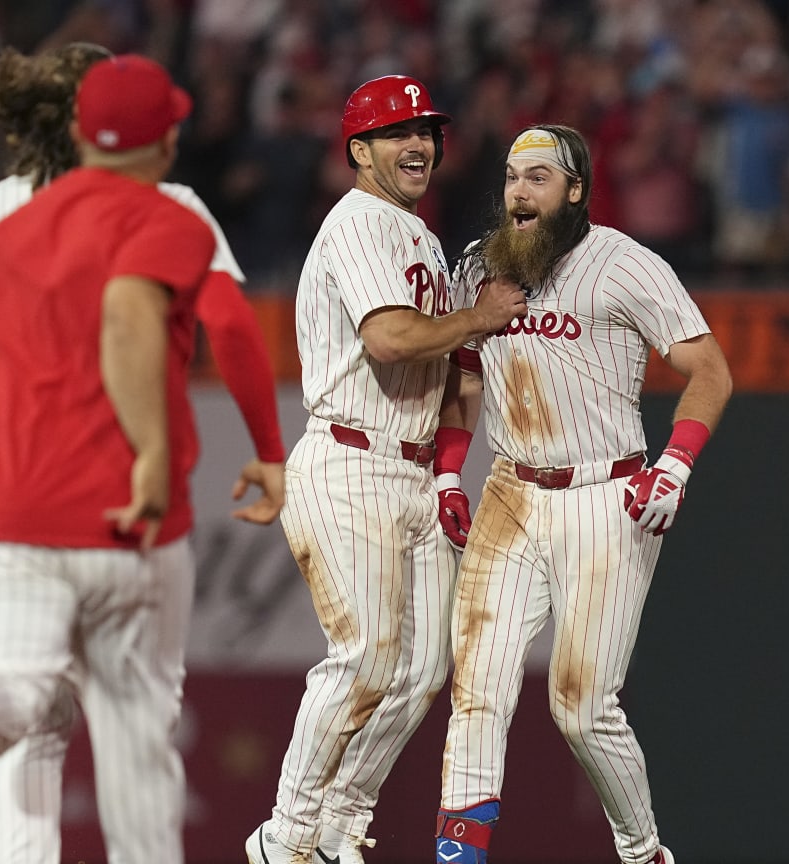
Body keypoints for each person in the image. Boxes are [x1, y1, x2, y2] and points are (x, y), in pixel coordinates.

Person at [0, 44, 287, 864]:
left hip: (5, 513)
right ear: (160, 139)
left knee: (22, 714)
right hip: (129, 516)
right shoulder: (174, 211)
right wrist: (264, 449)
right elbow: (218, 326)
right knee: (136, 742)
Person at [430, 125, 733, 864]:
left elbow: (711, 372)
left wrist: (676, 466)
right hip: (510, 490)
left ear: (576, 191)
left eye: (539, 177)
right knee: (476, 689)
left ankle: (642, 852)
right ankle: (459, 856)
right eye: (510, 177)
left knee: (582, 708)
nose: (519, 192)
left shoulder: (626, 264)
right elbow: (467, 374)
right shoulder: (481, 266)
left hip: (607, 496)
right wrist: (448, 470)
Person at [245, 75, 525, 864]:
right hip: (350, 459)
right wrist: (477, 316)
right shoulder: (361, 222)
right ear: (359, 151)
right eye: (397, 132)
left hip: (409, 469)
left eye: (426, 131)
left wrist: (445, 473)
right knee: (367, 656)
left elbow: (448, 372)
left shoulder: (421, 237)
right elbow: (392, 340)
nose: (418, 145)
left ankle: (337, 828)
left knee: (424, 667)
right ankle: (287, 835)